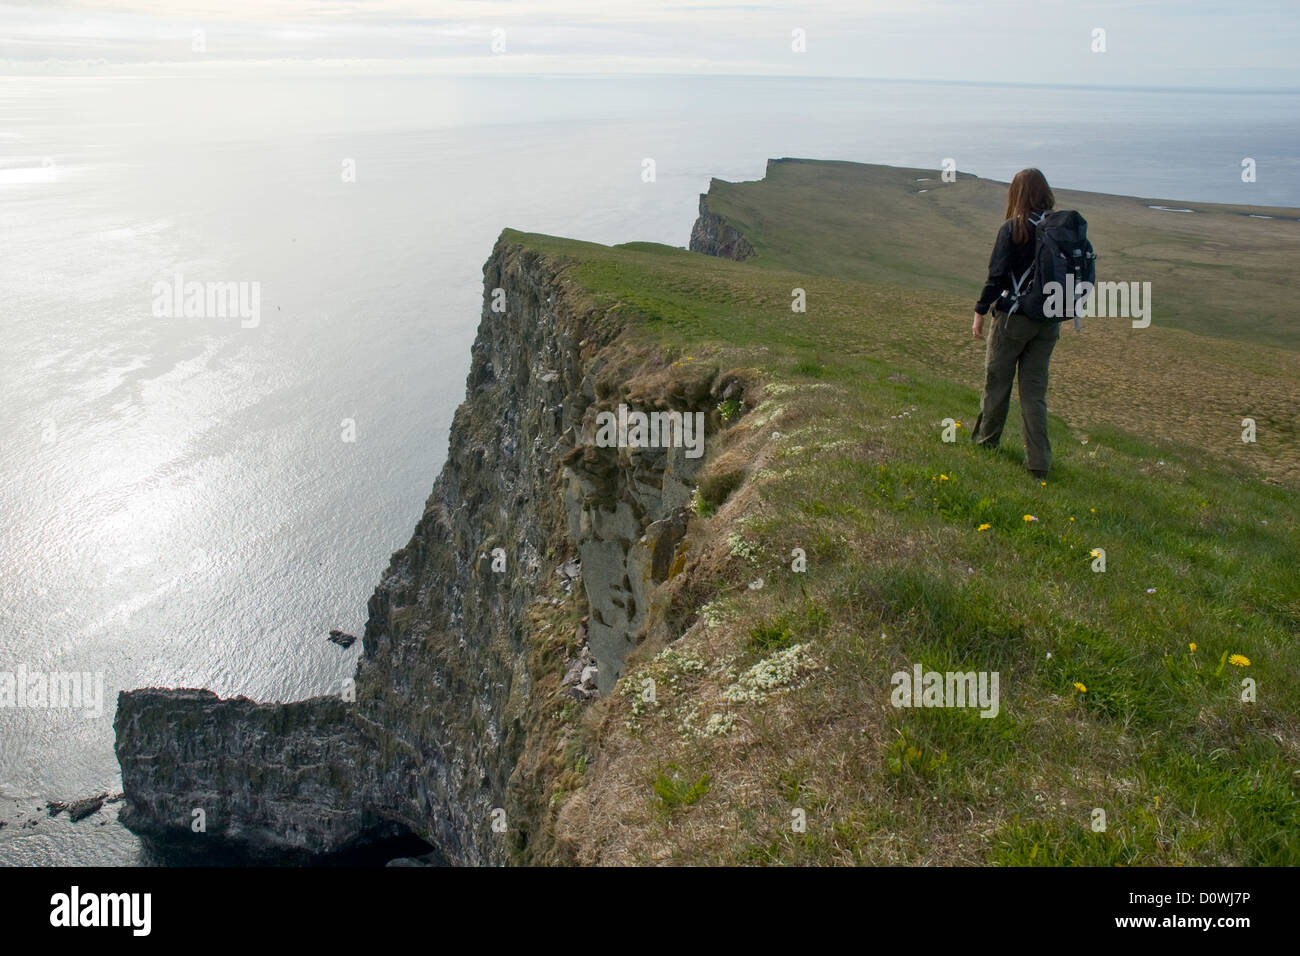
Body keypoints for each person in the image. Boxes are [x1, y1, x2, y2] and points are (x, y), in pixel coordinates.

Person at [970, 167, 1062, 480]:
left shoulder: (1013, 228)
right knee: (1034, 394)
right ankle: (1039, 465)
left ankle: (986, 443)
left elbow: (997, 276)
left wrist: (980, 310)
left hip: (1013, 319)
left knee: (998, 383)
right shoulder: (1059, 228)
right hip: (1049, 322)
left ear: (1017, 194)